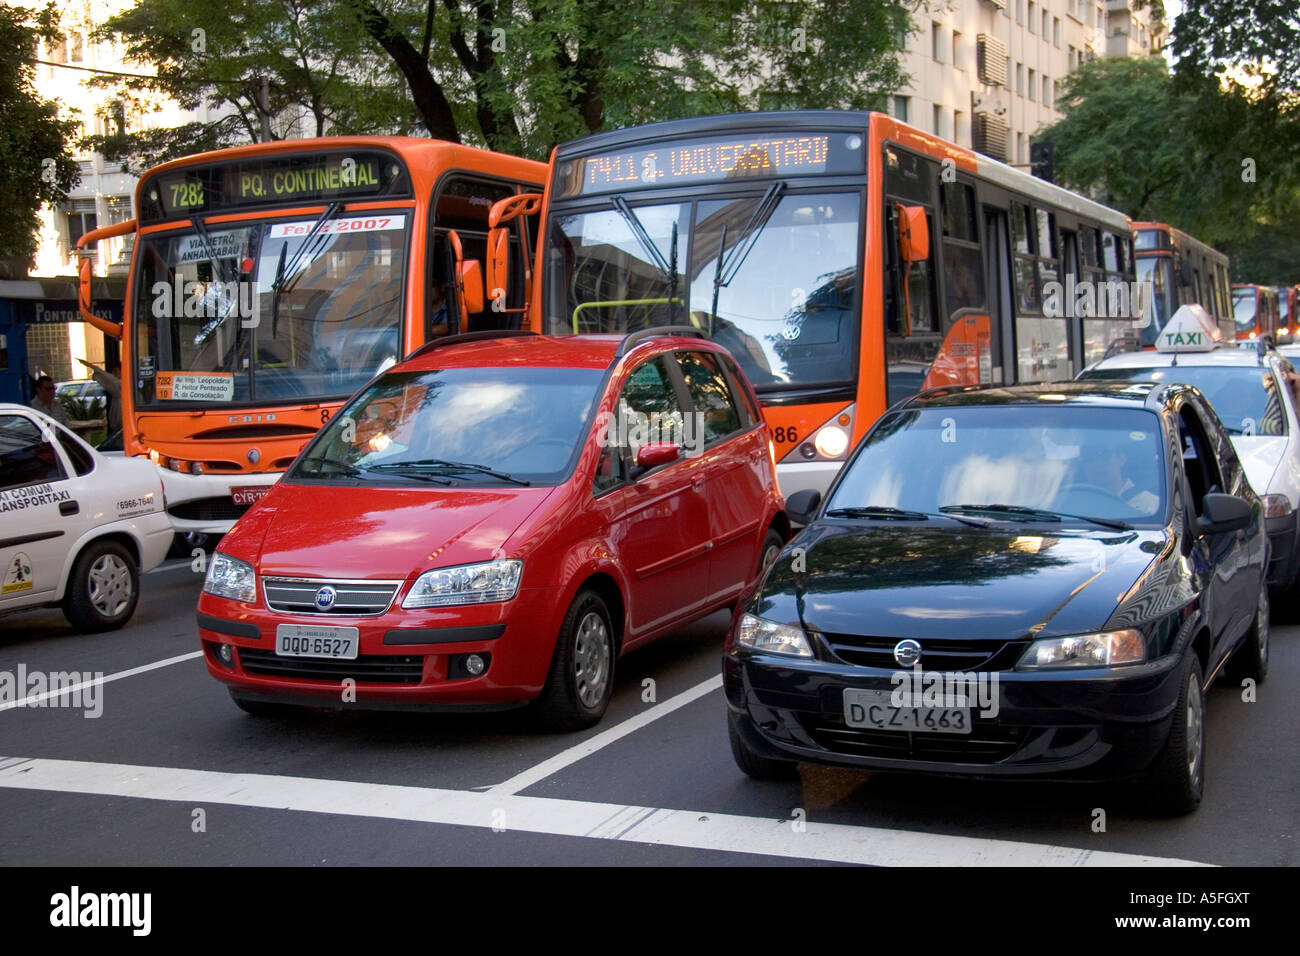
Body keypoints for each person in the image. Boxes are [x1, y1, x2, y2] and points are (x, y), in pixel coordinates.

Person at [77, 357, 121, 433]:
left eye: (116, 372)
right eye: (113, 372)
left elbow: (108, 377)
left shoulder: (120, 384)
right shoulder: (117, 385)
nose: (114, 374)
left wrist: (90, 366)